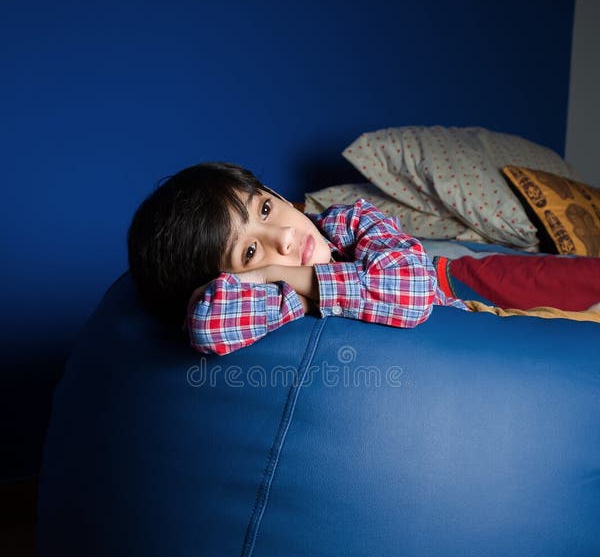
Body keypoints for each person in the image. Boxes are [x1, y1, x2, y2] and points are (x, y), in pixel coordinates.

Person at [127, 162, 600, 356]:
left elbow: (412, 293)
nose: (284, 238)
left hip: (462, 293)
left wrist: (279, 273)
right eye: (250, 251)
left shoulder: (353, 220)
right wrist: (286, 283)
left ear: (277, 195)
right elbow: (207, 325)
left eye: (266, 209)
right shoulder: (271, 298)